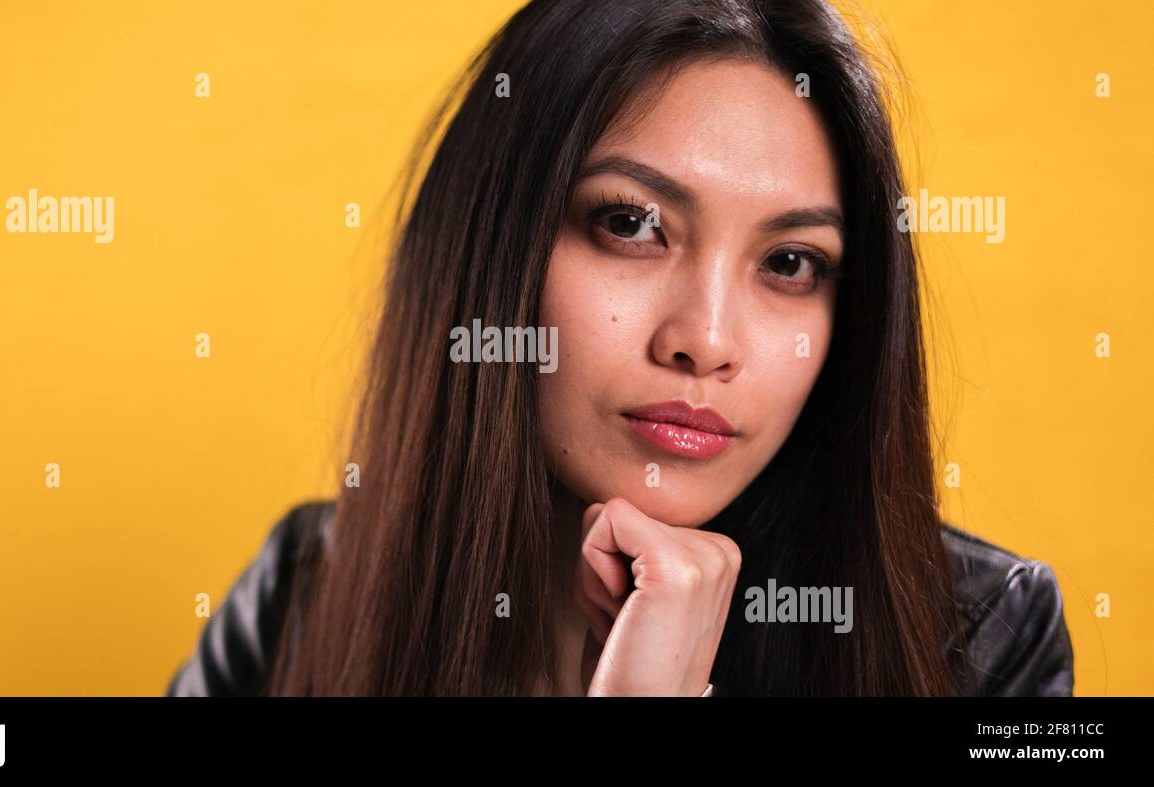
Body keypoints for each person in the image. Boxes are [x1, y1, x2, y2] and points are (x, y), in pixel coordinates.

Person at [168, 0, 1075, 697]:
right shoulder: (301, 597)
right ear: (495, 247)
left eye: (791, 262)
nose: (707, 341)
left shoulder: (982, 639)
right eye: (631, 224)